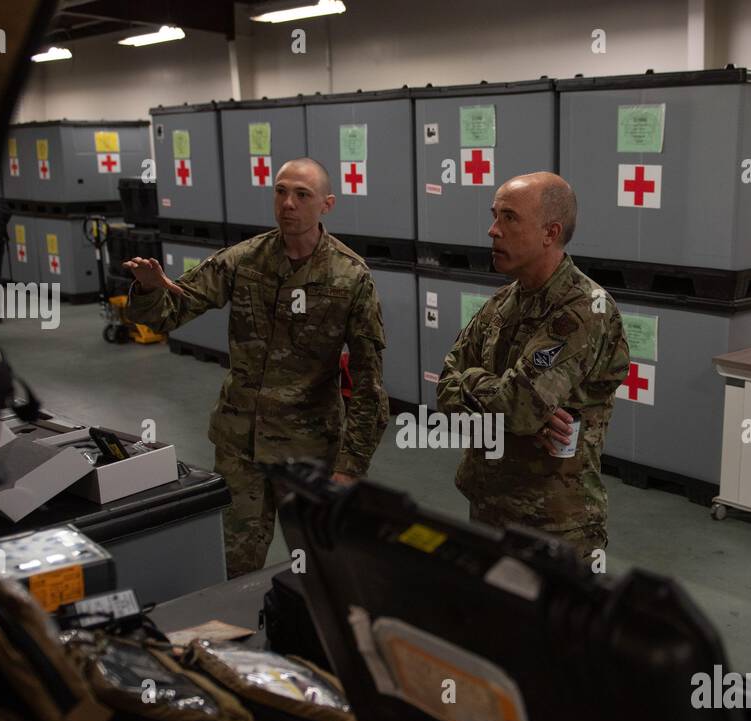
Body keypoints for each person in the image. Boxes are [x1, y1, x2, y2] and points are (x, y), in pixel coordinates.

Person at [123, 158, 388, 579]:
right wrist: (149, 289)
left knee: (322, 564)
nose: (288, 203)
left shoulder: (350, 276)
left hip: (308, 449)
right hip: (239, 443)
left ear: (327, 204)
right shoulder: (245, 259)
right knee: (233, 563)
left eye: (302, 195)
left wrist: (350, 466)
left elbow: (370, 382)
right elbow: (171, 312)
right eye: (281, 191)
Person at [437, 172, 629, 559]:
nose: (493, 230)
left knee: (554, 622)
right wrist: (492, 392)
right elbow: (445, 391)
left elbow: (519, 408)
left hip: (554, 525)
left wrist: (477, 387)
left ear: (550, 232)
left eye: (509, 218)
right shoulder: (500, 304)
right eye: (494, 216)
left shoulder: (583, 310)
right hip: (490, 507)